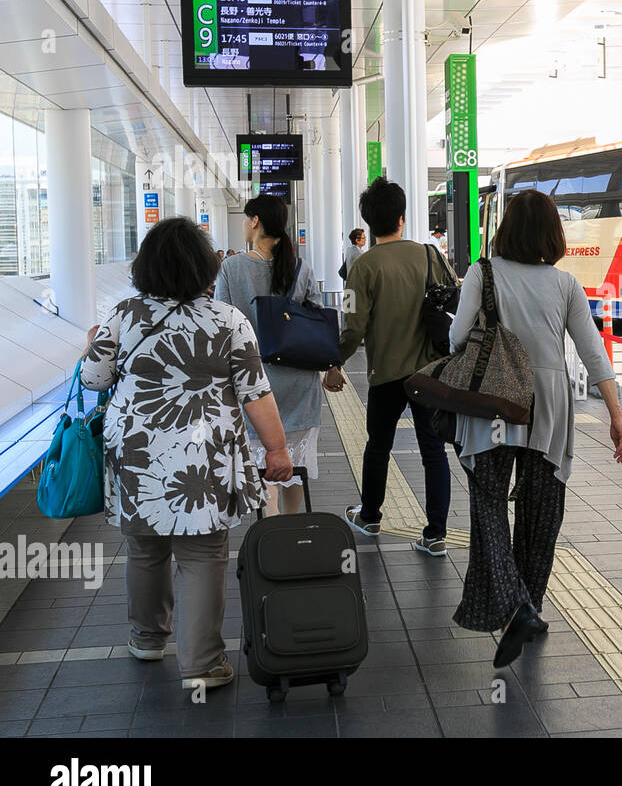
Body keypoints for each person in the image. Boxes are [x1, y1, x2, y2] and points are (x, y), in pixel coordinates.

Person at [81, 217, 292, 691]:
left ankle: (147, 638)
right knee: (202, 554)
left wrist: (87, 348)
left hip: (135, 451)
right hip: (204, 453)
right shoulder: (227, 320)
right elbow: (256, 393)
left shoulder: (123, 315)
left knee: (144, 545)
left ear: (145, 267)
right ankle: (201, 663)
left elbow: (93, 380)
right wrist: (276, 449)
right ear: (204, 267)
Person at [448, 189, 622, 669]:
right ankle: (530, 603)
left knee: (489, 503)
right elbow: (593, 352)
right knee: (542, 506)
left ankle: (518, 607)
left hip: (493, 398)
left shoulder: (481, 272)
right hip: (548, 403)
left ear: (506, 229)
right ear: (553, 233)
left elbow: (457, 336)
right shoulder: (566, 284)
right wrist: (615, 415)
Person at [326, 176, 455, 556]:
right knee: (433, 450)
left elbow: (352, 326)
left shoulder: (362, 268)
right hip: (430, 373)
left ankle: (370, 515)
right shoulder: (431, 255)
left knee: (378, 446)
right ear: (401, 217)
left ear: (369, 223)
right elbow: (451, 302)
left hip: (385, 374)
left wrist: (335, 363)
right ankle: (435, 535)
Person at [215, 194, 324, 515]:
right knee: (293, 468)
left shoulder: (231, 268)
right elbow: (318, 318)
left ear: (255, 221)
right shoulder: (300, 267)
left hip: (254, 387)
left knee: (264, 471)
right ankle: (292, 532)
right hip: (300, 384)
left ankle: (271, 539)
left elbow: (223, 327)